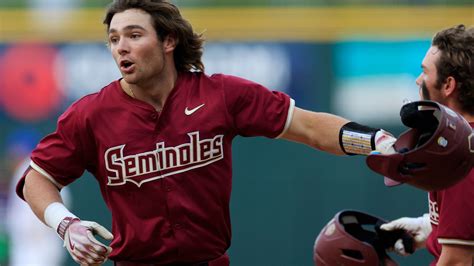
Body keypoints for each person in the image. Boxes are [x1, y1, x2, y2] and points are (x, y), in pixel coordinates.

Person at [16, 0, 397, 265]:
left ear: (168, 41)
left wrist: (376, 141)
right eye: (114, 39)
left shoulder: (220, 95)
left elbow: (310, 128)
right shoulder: (91, 114)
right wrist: (64, 225)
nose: (121, 47)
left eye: (134, 35)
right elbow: (38, 178)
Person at [380, 24, 474, 266]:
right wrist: (430, 226)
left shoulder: (462, 151)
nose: (418, 80)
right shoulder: (459, 141)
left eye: (425, 72)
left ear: (448, 85)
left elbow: (458, 261)